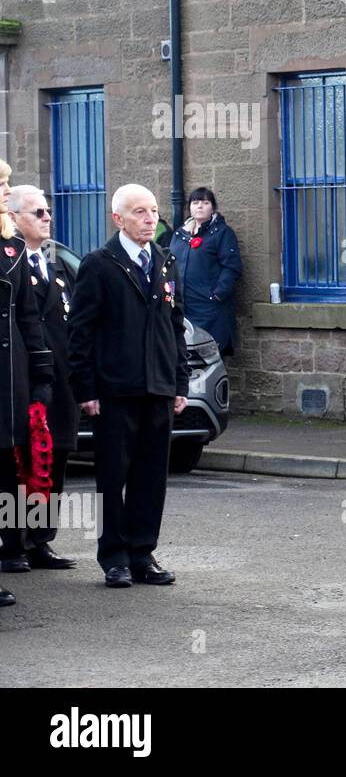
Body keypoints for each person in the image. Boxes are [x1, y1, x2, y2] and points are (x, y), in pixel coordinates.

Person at [68, 184, 189, 589]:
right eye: (140, 212)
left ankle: (143, 552)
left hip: (157, 388)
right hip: (115, 391)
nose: (150, 218)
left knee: (151, 476)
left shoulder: (165, 261)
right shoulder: (100, 265)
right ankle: (114, 556)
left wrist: (179, 383)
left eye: (153, 211)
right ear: (118, 218)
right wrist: (85, 389)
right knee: (112, 475)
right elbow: (80, 332)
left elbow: (176, 329)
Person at [9, 186, 78, 571]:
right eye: (38, 212)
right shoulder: (12, 263)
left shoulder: (54, 263)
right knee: (21, 463)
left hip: (61, 382)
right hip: (26, 380)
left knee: (54, 460)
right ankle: (13, 541)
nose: (47, 217)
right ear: (14, 218)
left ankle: (40, 540)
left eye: (48, 211)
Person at [0, 167, 56, 606]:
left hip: (9, 377)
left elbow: (27, 318)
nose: (4, 191)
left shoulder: (11, 250)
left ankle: (18, 545)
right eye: (0, 185)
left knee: (5, 470)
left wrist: (40, 376)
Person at [170, 187, 243, 356]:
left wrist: (216, 295)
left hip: (209, 309)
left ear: (213, 208)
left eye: (205, 202)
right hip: (182, 308)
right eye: (195, 202)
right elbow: (170, 265)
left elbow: (232, 267)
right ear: (189, 207)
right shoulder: (180, 235)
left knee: (210, 358)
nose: (200, 206)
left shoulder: (222, 233)